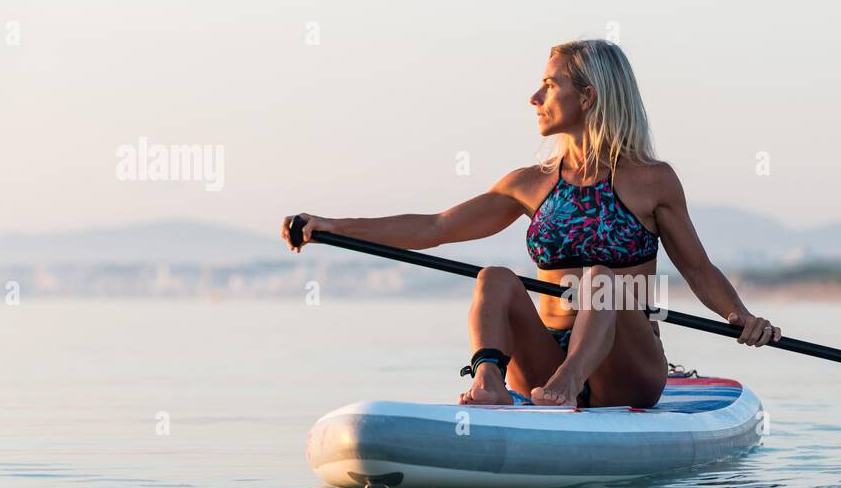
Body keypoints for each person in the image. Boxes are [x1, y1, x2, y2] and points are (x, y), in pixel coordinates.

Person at [282, 39, 780, 408]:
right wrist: (330, 225)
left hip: (627, 367)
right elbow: (433, 227)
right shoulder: (530, 183)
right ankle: (490, 384)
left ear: (587, 96)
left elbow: (696, 268)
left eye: (549, 84)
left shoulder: (651, 181)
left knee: (600, 279)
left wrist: (740, 318)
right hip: (541, 362)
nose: (534, 97)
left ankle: (568, 383)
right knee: (494, 277)